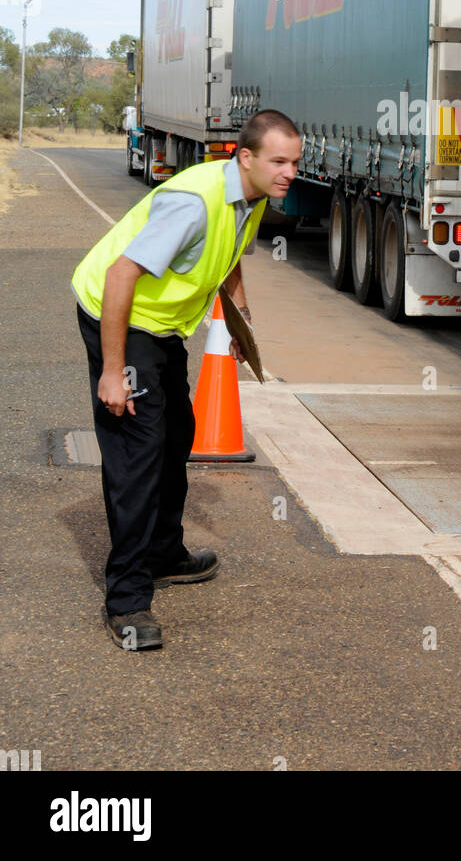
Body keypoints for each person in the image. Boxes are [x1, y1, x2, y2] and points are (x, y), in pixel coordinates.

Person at [72, 108, 301, 650]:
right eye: (278, 161)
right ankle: (127, 600)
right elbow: (120, 274)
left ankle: (164, 553)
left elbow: (232, 253)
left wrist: (240, 316)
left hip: (161, 325)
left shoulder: (254, 193)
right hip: (118, 316)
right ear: (245, 157)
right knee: (138, 452)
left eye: (294, 161)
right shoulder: (193, 202)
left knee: (178, 433)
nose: (289, 172)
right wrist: (111, 372)